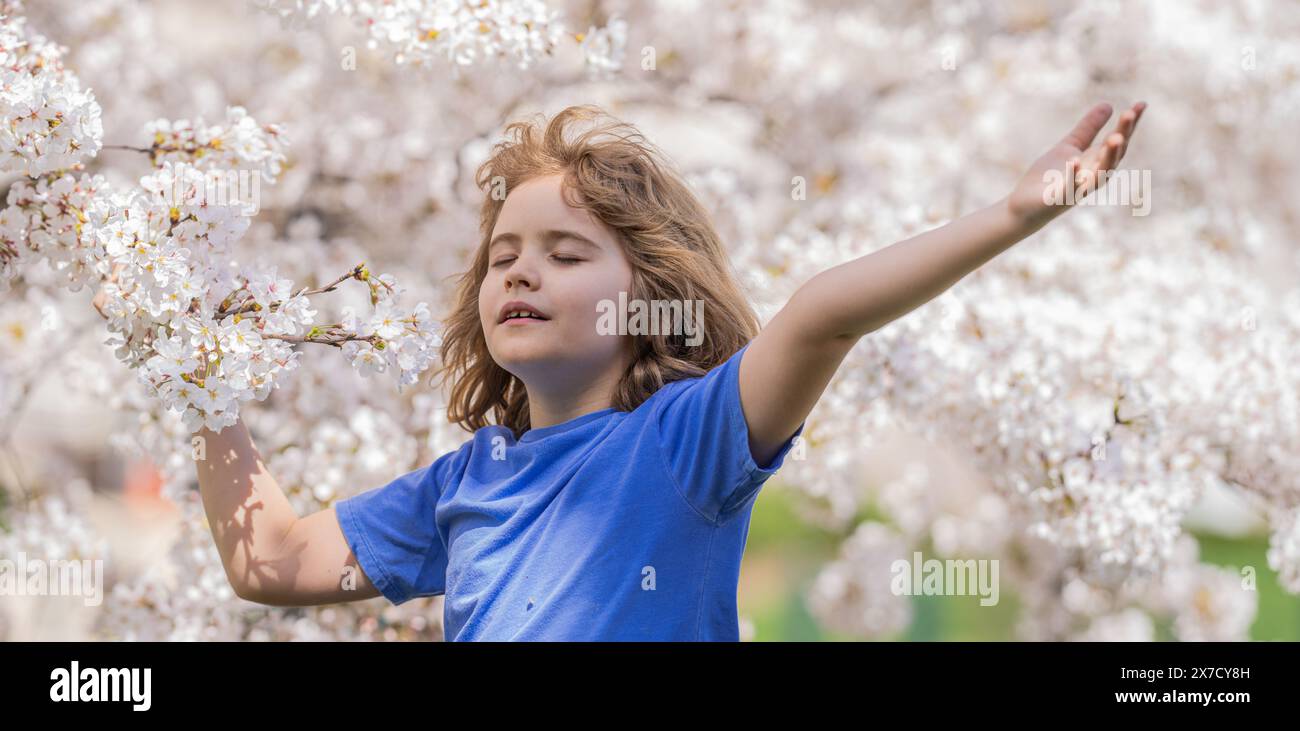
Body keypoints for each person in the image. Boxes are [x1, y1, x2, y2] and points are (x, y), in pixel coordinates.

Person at [194, 100, 1147, 640]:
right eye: (504, 256)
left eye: (568, 255)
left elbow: (820, 316)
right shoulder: (463, 482)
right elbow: (268, 557)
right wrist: (199, 375)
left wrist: (1012, 216)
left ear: (648, 301)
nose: (524, 269)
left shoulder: (687, 442)